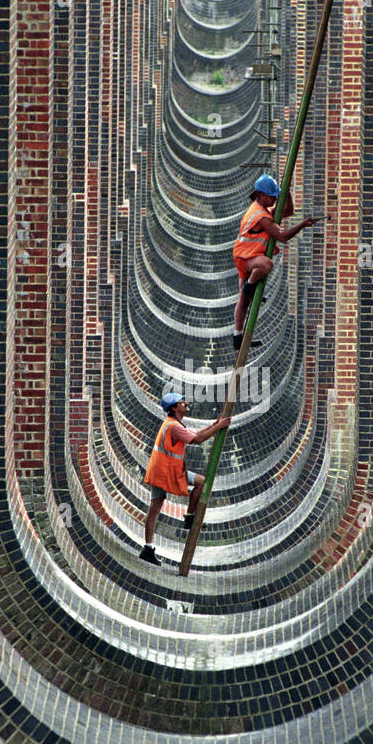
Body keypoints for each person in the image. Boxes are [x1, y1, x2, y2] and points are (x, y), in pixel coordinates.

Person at [230, 173, 320, 352]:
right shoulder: (261, 216)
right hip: (245, 257)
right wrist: (302, 225)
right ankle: (250, 284)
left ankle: (238, 336)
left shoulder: (261, 209)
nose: (273, 199)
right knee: (266, 265)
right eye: (271, 196)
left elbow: (287, 211)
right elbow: (282, 236)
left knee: (243, 300)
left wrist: (285, 192)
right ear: (260, 195)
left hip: (246, 254)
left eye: (274, 196)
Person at [140, 392, 231, 566]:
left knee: (155, 508)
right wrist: (219, 427)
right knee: (201, 482)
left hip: (162, 470)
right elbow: (197, 439)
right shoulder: (174, 426)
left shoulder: (174, 424)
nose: (186, 403)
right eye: (182, 402)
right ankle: (189, 516)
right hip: (166, 471)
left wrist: (214, 424)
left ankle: (148, 548)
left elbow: (194, 433)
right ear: (174, 408)